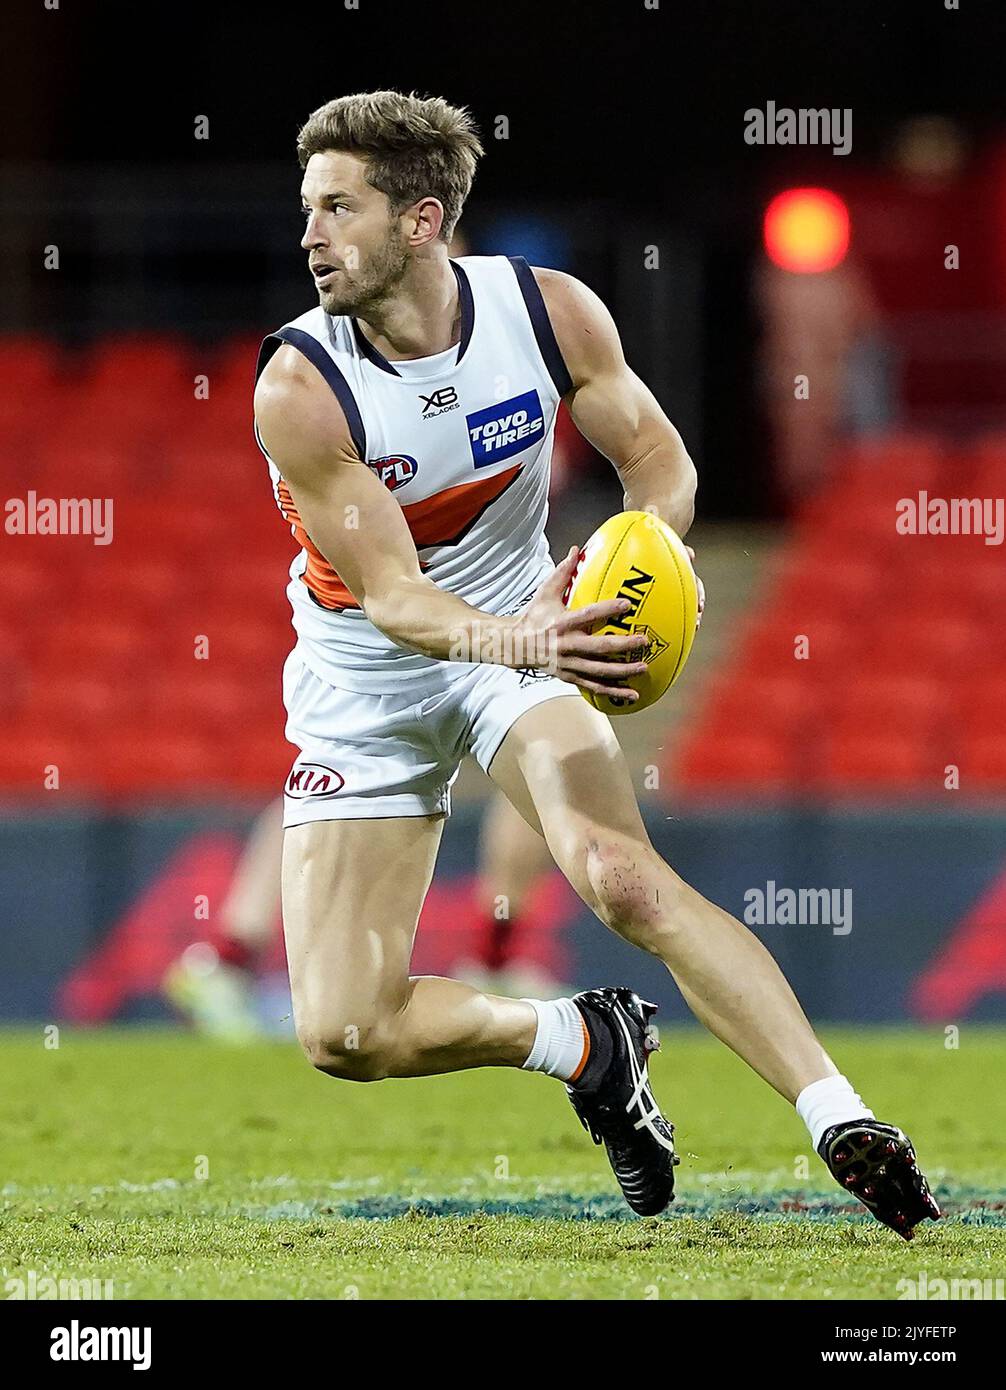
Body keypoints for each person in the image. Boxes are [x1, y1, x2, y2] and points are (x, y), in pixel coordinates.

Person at [251, 89, 938, 1230]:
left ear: (421, 221)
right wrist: (532, 630)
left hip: (518, 646)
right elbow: (394, 601)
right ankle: (581, 1040)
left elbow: (661, 466)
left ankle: (840, 1114)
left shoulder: (550, 312)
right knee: (345, 1034)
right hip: (367, 680)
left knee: (624, 878)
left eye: (338, 208)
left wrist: (639, 556)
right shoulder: (299, 386)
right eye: (308, 207)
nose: (310, 235)